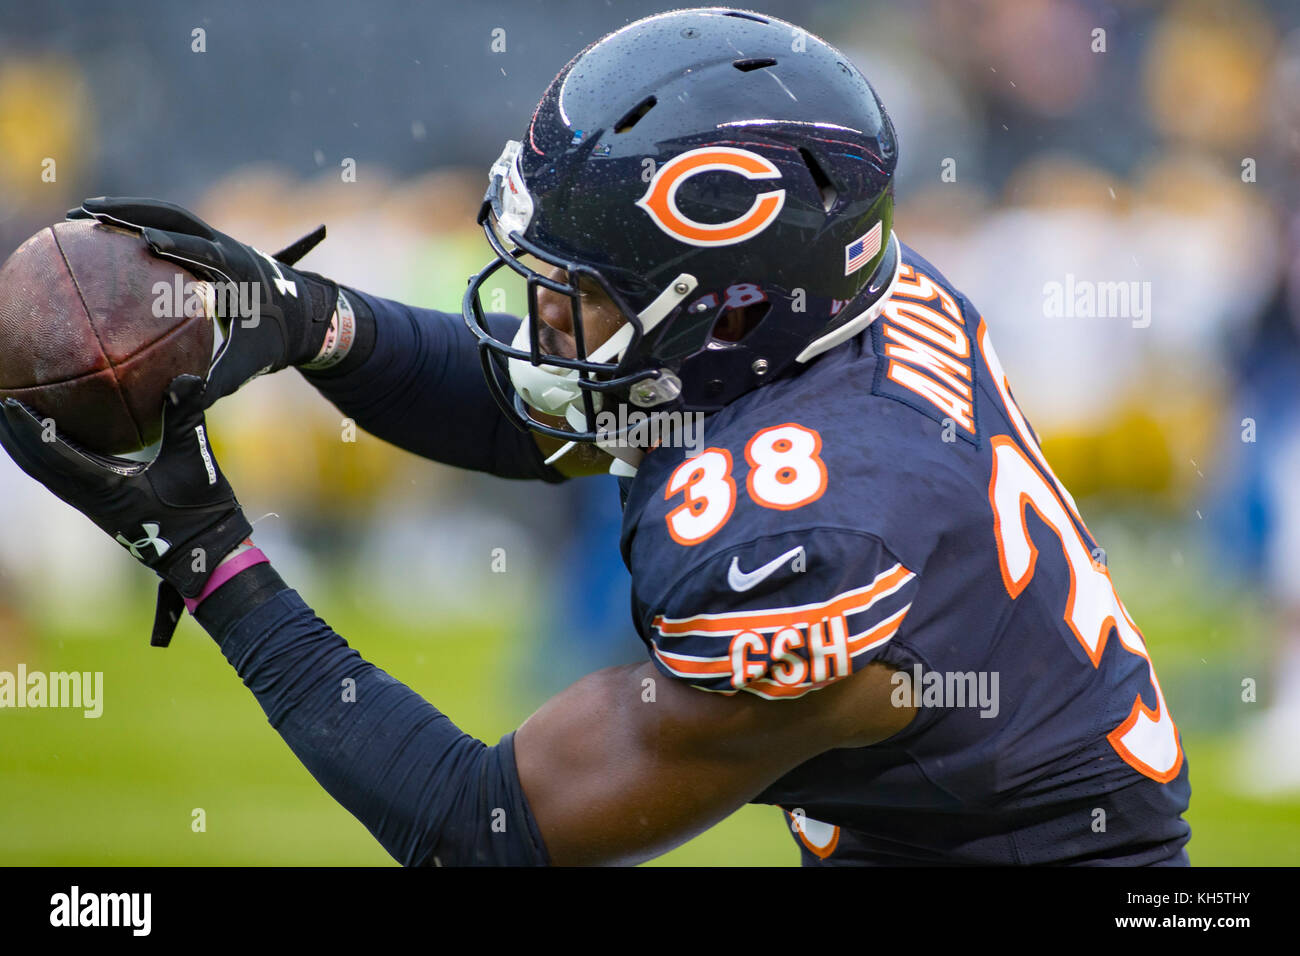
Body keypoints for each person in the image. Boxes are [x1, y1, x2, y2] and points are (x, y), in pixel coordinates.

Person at [0, 8, 1190, 866]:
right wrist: (307, 318)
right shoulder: (817, 315)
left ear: (728, 305)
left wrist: (208, 553)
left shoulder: (812, 541)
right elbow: (551, 408)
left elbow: (478, 826)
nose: (545, 317)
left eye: (583, 289)